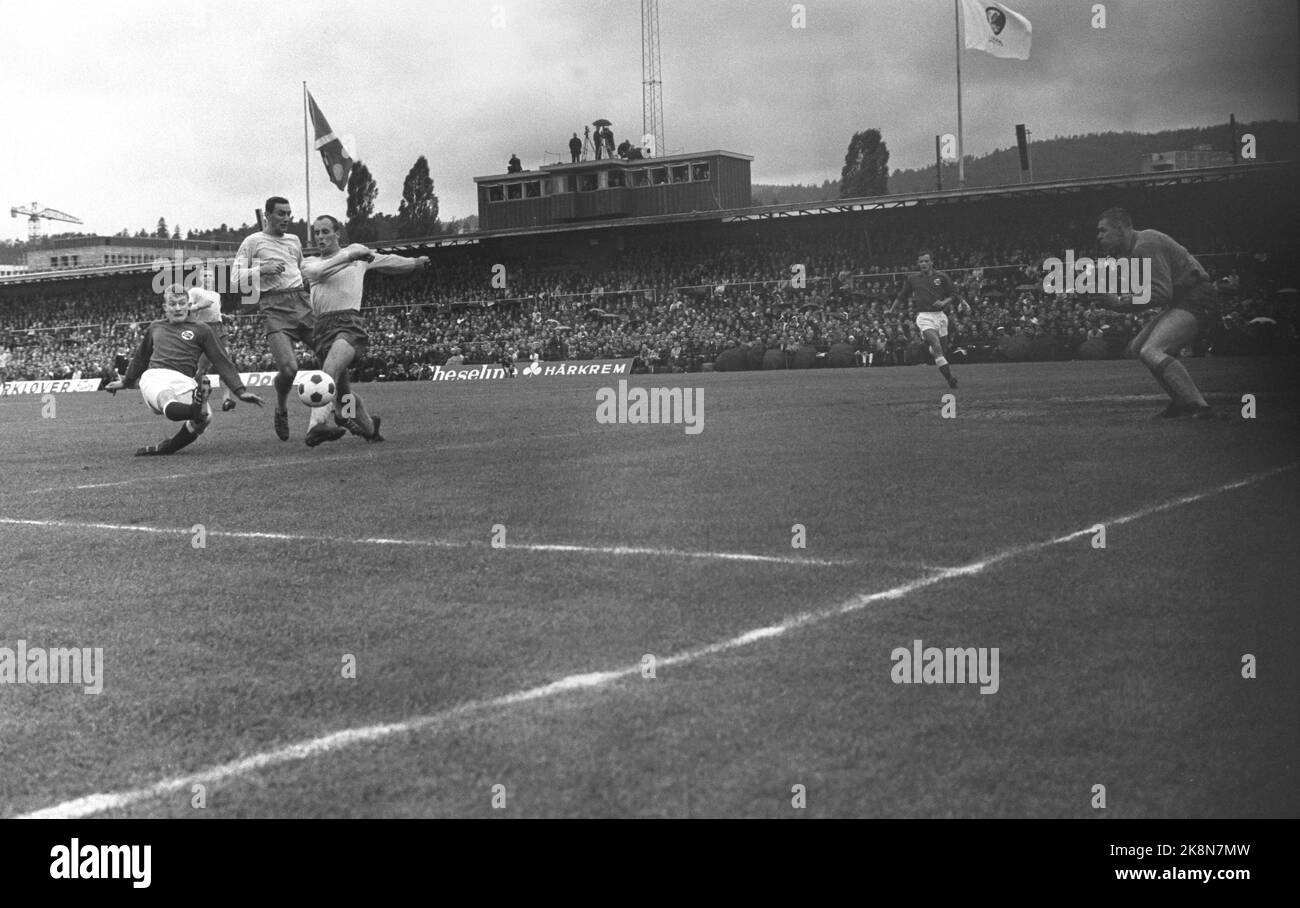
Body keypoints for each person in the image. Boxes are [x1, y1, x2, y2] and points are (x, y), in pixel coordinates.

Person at [299, 214, 431, 446]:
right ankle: (371, 430)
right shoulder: (310, 262)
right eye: (317, 232)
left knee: (328, 371)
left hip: (348, 324)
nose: (320, 237)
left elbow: (386, 260)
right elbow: (319, 273)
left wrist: (414, 263)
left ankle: (317, 426)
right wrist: (350, 255)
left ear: (337, 233)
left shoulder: (359, 257)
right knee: (343, 395)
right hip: (321, 328)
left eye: (325, 231)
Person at [103, 285, 263, 455]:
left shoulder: (202, 330)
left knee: (205, 417)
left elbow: (221, 359)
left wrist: (240, 391)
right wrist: (125, 382)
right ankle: (194, 409)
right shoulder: (155, 327)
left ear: (189, 305)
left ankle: (167, 447)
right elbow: (140, 359)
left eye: (182, 303)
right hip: (156, 376)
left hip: (185, 380)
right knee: (167, 397)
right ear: (165, 307)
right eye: (173, 304)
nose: (178, 308)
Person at [1095, 207, 1218, 418]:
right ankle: (1181, 402)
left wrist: (1117, 303)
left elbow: (1161, 294)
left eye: (1103, 230)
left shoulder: (1145, 245)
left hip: (1198, 296)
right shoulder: (1137, 248)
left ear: (1119, 228)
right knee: (1137, 348)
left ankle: (1199, 406)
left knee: (1151, 350)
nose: (1099, 237)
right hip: (1187, 297)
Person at [229, 196, 316, 441]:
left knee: (332, 356)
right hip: (274, 305)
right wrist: (261, 270)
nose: (287, 218)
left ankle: (342, 413)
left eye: (289, 213)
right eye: (281, 213)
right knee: (289, 369)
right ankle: (281, 408)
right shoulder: (253, 241)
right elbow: (235, 278)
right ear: (267, 216)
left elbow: (300, 268)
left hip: (300, 301)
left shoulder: (294, 240)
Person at [887, 249, 959, 388]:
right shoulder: (913, 279)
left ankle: (932, 350)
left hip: (941, 317)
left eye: (926, 261)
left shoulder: (942, 277)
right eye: (921, 262)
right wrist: (891, 310)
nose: (924, 264)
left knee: (941, 351)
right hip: (924, 316)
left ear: (932, 262)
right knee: (937, 345)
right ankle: (950, 379)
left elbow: (954, 294)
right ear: (918, 263)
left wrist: (944, 303)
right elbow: (901, 296)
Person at [186, 268, 237, 412]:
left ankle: (226, 399)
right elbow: (188, 310)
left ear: (213, 278)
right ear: (201, 278)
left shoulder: (216, 295)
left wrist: (224, 316)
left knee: (226, 364)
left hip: (219, 330)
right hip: (203, 330)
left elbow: (216, 312)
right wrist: (200, 305)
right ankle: (201, 390)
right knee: (200, 370)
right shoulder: (195, 291)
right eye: (205, 275)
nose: (207, 277)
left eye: (210, 275)